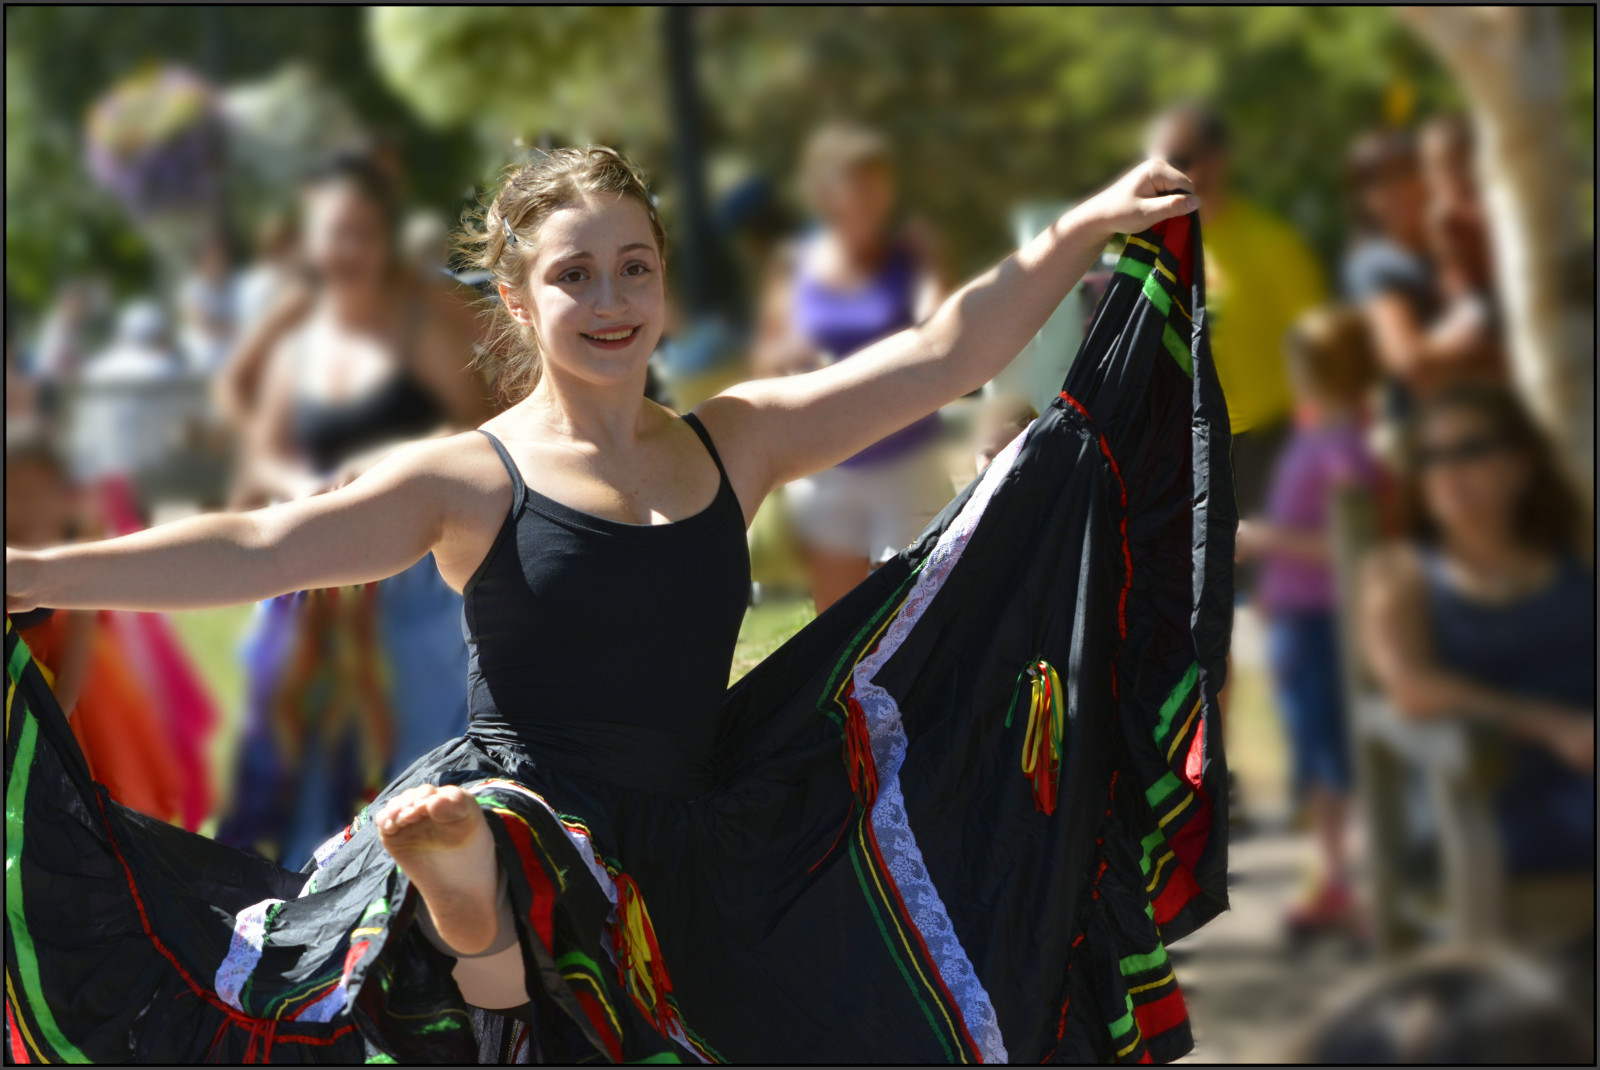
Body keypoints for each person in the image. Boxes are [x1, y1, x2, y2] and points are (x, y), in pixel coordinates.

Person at [6, 146, 1229, 1063]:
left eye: (633, 267)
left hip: (694, 836)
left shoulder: (732, 438)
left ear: (661, 283)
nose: (610, 297)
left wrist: (1083, 225)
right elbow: (266, 544)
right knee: (506, 848)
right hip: (524, 803)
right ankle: (470, 909)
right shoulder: (470, 475)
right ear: (519, 299)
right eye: (573, 274)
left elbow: (938, 357)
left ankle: (485, 924)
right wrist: (39, 575)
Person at [216, 151, 496, 868]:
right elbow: (255, 475)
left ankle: (419, 902)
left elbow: (484, 438)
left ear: (385, 239)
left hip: (412, 584)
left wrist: (382, 473)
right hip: (312, 586)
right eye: (332, 234)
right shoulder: (297, 341)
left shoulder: (421, 324)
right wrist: (300, 484)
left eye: (362, 233)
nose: (346, 250)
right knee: (301, 762)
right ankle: (321, 906)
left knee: (417, 755)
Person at [1360, 385, 1594, 882]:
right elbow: (1411, 690)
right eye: (1430, 457)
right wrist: (1552, 725)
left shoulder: (1576, 554)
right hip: (1483, 800)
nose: (1446, 471)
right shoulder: (1399, 574)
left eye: (1469, 451)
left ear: (1521, 463)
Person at [755, 123, 957, 612]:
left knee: (920, 607)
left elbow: (946, 337)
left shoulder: (914, 252)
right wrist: (793, 357)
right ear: (824, 193)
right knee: (839, 621)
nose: (870, 197)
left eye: (878, 183)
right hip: (827, 461)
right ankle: (844, 694)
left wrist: (933, 269)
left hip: (908, 456)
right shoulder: (796, 264)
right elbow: (770, 357)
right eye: (855, 184)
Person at [1234, 306, 1380, 936]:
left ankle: (1341, 879)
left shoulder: (1343, 449)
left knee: (1329, 751)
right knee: (1315, 749)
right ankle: (1333, 874)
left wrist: (1259, 541)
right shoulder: (1322, 437)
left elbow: (1349, 543)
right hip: (1298, 614)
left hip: (1324, 618)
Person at [1146, 101, 1326, 524]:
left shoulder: (1272, 243)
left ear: (1218, 161)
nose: (1162, 174)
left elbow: (1318, 346)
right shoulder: (1143, 247)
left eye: (1179, 160)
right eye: (1155, 162)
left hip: (1266, 444)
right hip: (1178, 444)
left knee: (1261, 578)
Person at [6, 438, 188, 824]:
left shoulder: (78, 527)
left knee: (81, 797)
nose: (25, 503)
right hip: (15, 668)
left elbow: (79, 638)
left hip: (60, 675)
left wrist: (55, 715)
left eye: (36, 490)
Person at [1342, 130, 1501, 420]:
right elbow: (1413, 364)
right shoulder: (1374, 265)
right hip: (1434, 428)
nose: (1394, 190)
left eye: (1404, 172)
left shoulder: (1465, 232)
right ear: (1362, 201)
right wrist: (1500, 356)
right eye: (1375, 183)